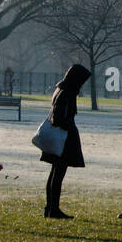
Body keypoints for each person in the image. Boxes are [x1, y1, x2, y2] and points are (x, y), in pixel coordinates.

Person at [42, 64, 90, 219]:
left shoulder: (61, 90)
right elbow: (61, 118)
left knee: (55, 174)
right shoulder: (67, 93)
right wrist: (68, 127)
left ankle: (50, 207)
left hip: (59, 137)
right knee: (58, 174)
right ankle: (53, 209)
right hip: (63, 138)